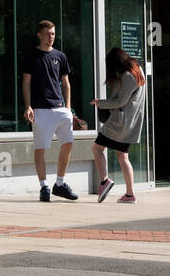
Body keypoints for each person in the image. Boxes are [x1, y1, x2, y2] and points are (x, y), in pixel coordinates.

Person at [22, 19, 85, 201]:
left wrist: (68, 107)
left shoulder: (60, 56)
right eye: (48, 34)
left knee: (68, 143)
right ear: (40, 35)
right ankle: (44, 187)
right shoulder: (31, 55)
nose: (51, 37)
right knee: (40, 148)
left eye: (53, 34)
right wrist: (28, 106)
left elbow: (66, 83)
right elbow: (26, 82)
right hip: (40, 109)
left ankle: (60, 183)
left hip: (60, 109)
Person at [89, 47, 146, 203]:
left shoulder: (128, 76)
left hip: (119, 123)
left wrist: (100, 103)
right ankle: (130, 195)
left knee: (97, 148)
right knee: (122, 156)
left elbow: (120, 101)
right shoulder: (137, 70)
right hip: (129, 123)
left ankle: (104, 181)